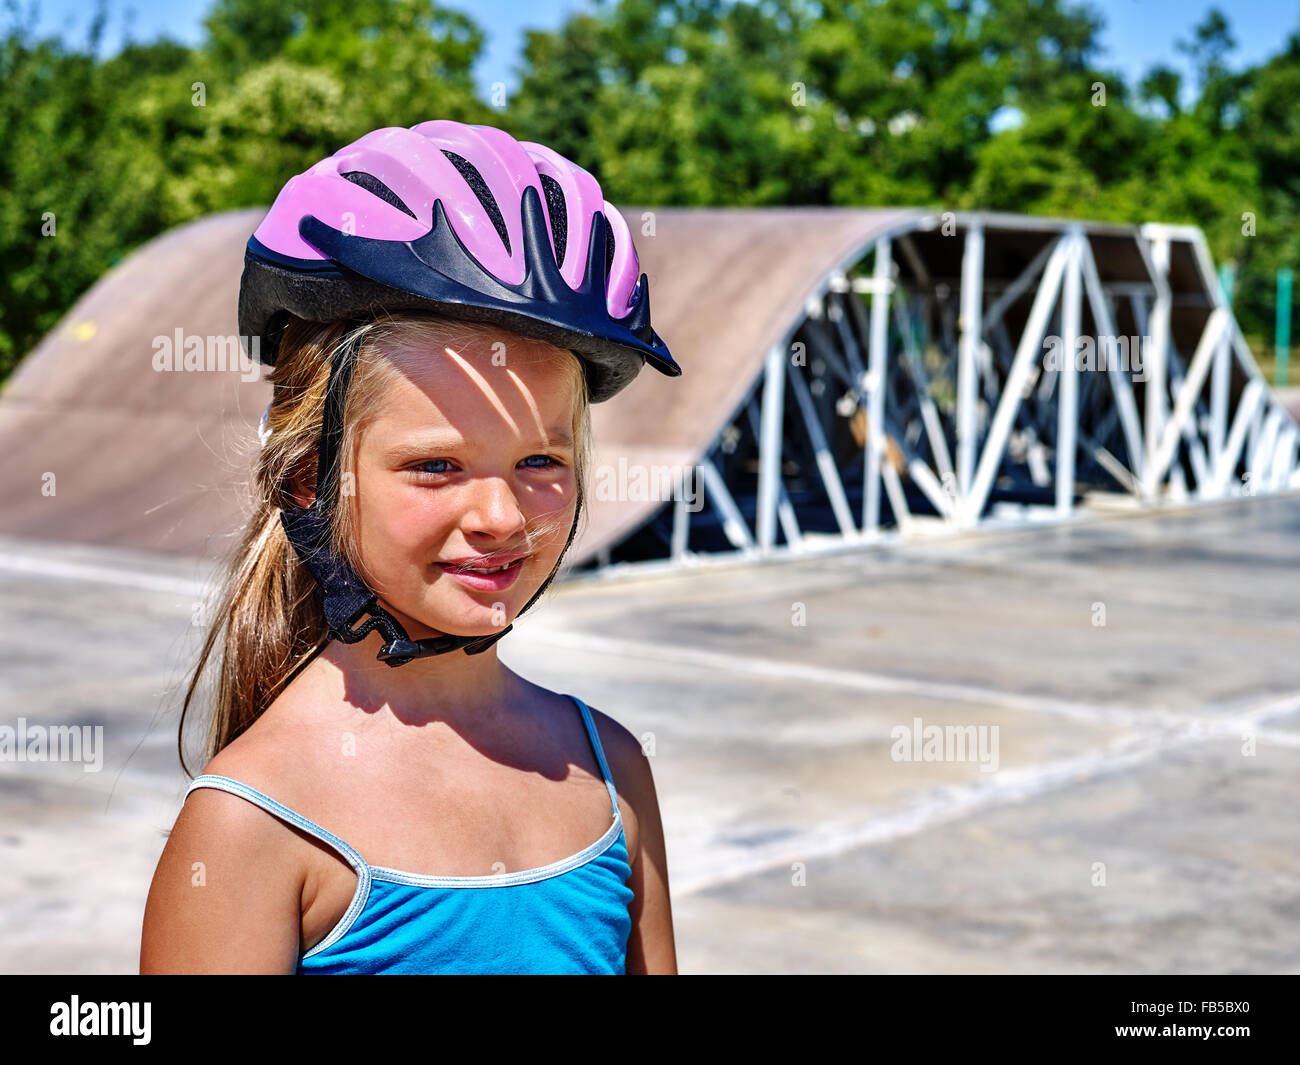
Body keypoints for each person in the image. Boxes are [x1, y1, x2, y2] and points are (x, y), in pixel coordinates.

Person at [139, 119, 682, 974]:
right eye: (436, 464)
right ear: (310, 478)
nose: (503, 514)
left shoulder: (612, 771)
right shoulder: (253, 825)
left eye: (542, 459)